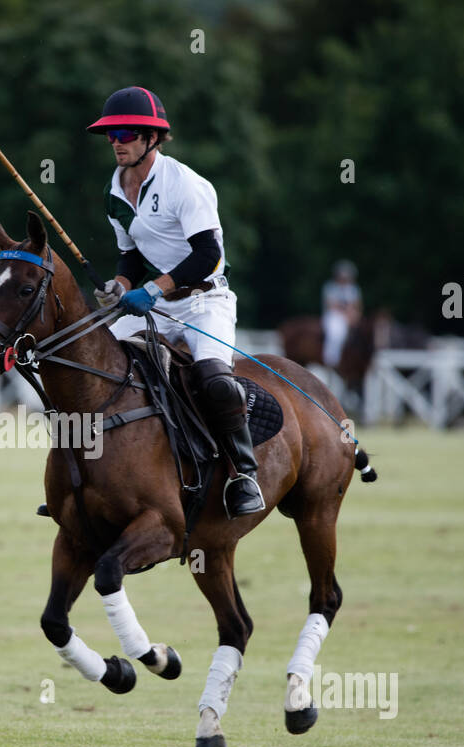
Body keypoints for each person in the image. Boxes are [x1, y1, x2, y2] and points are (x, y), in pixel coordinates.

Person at [87, 86, 265, 518]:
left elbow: (208, 255)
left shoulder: (184, 183)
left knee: (215, 380)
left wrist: (152, 288)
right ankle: (87, 474)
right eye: (110, 134)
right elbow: (130, 252)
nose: (116, 141)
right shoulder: (116, 190)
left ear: (152, 137)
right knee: (95, 364)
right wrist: (121, 283)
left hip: (205, 301)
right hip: (159, 305)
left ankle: (244, 473)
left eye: (126, 132)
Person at [321, 260, 362, 368]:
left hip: (350, 315)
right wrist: (346, 313)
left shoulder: (353, 289)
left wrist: (354, 315)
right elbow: (331, 305)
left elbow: (357, 305)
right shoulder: (330, 288)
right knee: (336, 332)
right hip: (334, 315)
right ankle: (332, 359)